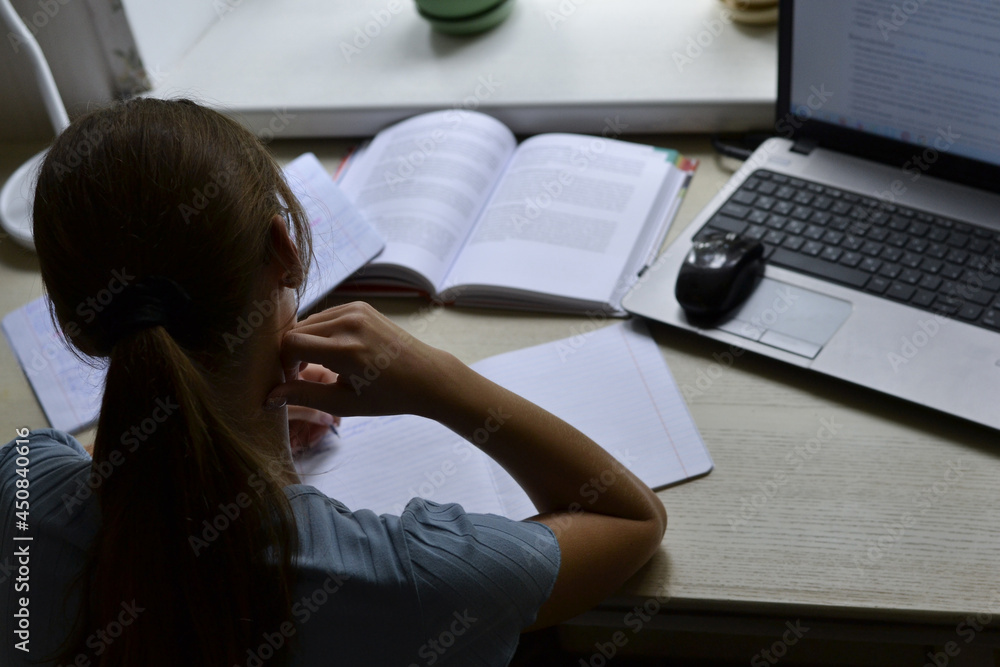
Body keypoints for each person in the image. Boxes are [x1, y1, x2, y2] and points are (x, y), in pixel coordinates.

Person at [0, 98, 666, 666]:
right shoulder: (404, 579)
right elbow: (628, 517)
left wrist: (206, 425)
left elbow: (111, 484)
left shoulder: (18, 487)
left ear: (72, 316)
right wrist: (439, 380)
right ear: (282, 247)